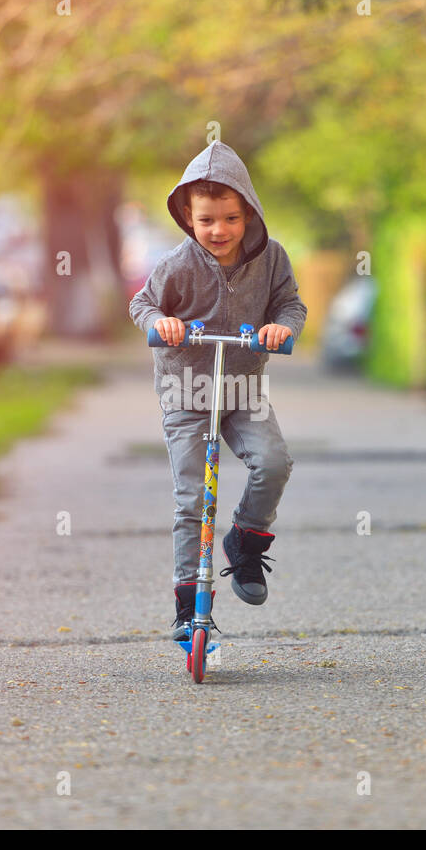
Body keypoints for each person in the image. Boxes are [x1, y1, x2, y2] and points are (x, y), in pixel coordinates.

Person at [128, 140, 307, 641]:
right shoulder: (176, 265)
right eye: (206, 220)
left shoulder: (272, 259)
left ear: (247, 212)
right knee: (192, 500)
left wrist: (282, 329)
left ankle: (247, 540)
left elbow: (290, 306)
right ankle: (189, 607)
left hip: (242, 388)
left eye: (229, 218)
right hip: (187, 390)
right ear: (188, 217)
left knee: (274, 462)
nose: (218, 231)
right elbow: (141, 305)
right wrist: (161, 322)